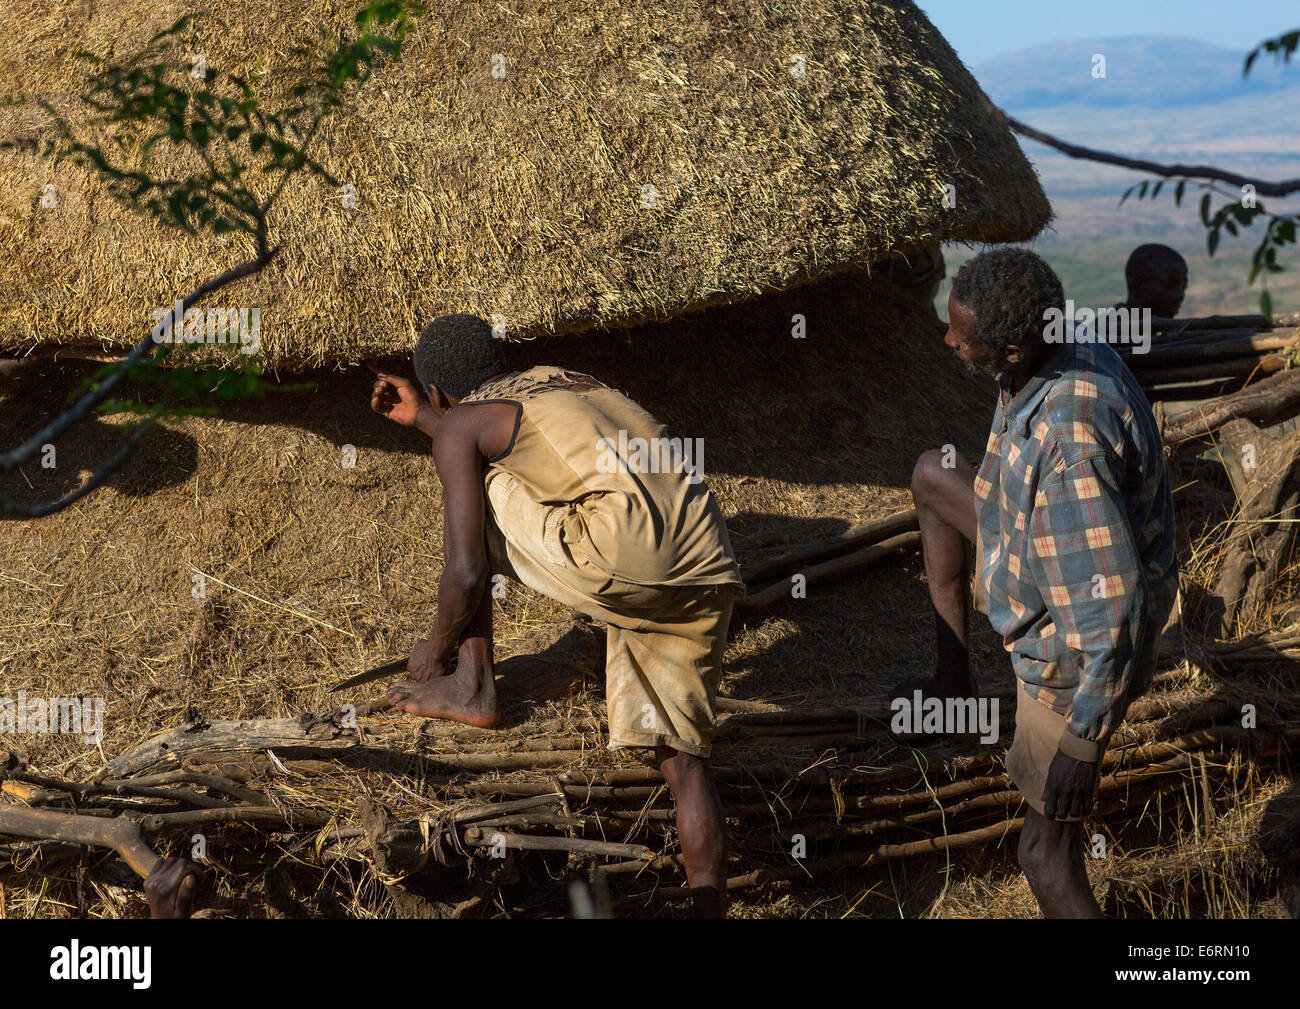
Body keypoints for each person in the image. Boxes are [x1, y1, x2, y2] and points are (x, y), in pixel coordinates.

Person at [368, 314, 743, 917]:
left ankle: (473, 686)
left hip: (620, 554)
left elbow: (465, 574)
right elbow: (503, 426)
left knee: (480, 481)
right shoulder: (569, 380)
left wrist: (433, 650)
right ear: (502, 360)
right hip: (707, 561)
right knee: (686, 764)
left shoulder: (462, 426)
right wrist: (430, 421)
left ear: (440, 391)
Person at [903, 248, 1178, 917]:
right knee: (930, 474)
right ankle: (953, 682)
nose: (948, 342)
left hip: (1066, 658)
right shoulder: (1055, 346)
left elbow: (1111, 619)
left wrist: (1081, 744)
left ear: (1015, 349)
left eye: (962, 336)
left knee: (1044, 857)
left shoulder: (1068, 441)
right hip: (1039, 544)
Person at [1121, 243, 1187, 318]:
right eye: (1169, 285)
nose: (1180, 295)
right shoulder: (1111, 328)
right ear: (1137, 285)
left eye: (1184, 287)